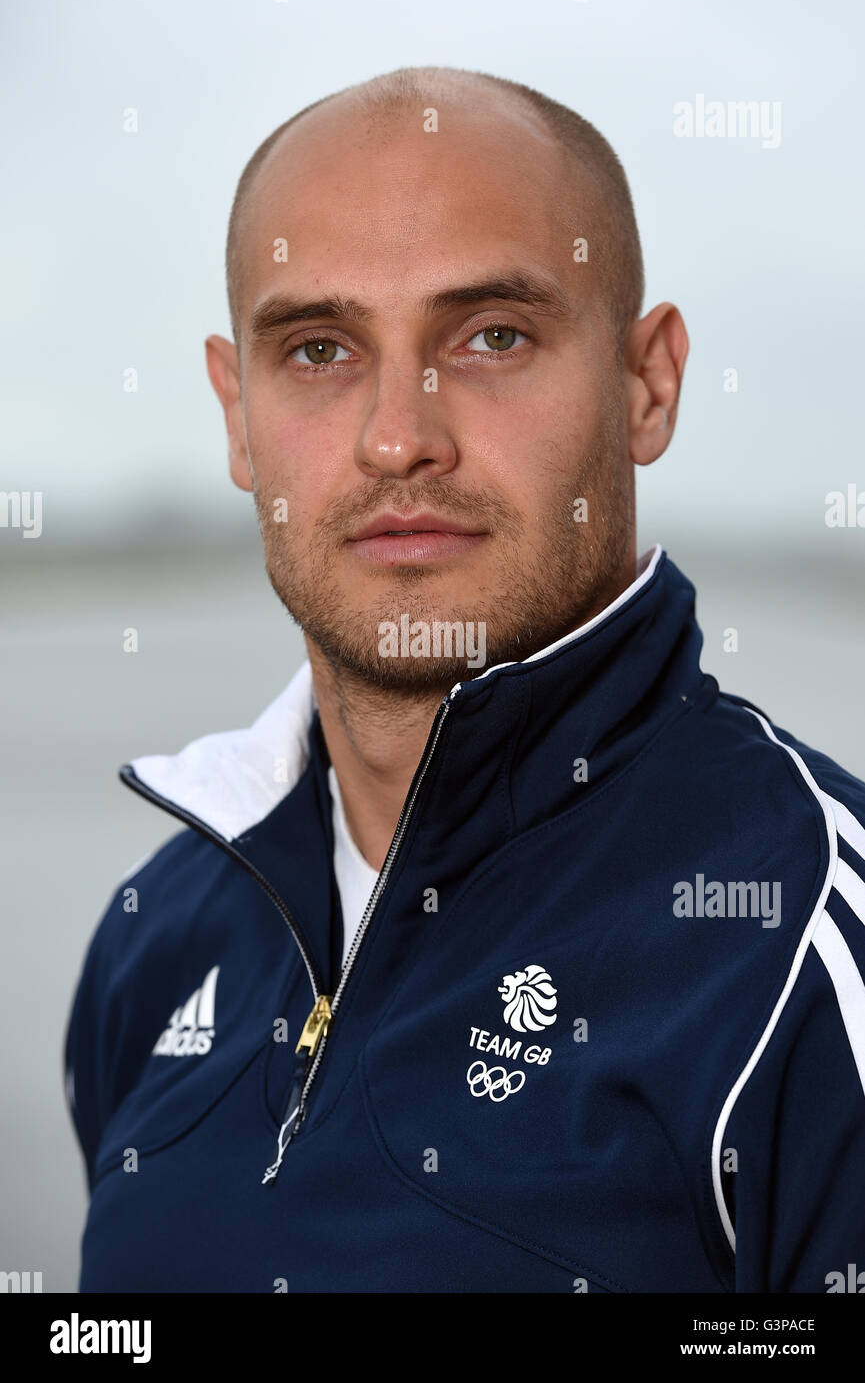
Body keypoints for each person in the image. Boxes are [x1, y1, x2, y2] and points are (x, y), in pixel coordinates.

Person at [65, 65, 865, 1294]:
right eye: (319, 348)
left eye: (492, 337)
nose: (399, 435)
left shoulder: (803, 957)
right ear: (238, 414)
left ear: (646, 381)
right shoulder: (152, 944)